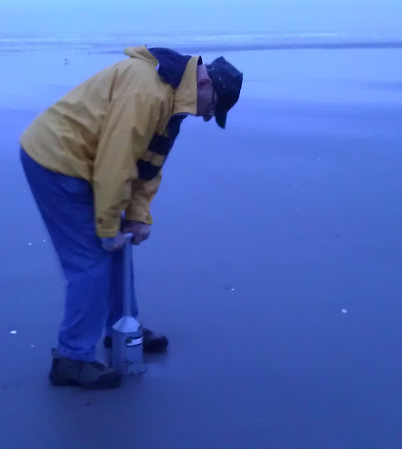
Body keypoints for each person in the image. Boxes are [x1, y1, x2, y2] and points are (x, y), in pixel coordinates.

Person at [19, 45, 243, 389]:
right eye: (213, 109)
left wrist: (137, 216)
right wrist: (108, 227)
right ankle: (71, 358)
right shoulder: (148, 92)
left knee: (119, 246)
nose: (207, 117)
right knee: (91, 260)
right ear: (204, 85)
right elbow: (116, 162)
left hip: (92, 162)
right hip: (57, 159)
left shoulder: (175, 99)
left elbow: (149, 165)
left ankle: (121, 328)